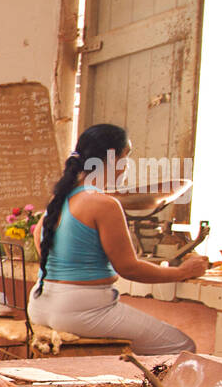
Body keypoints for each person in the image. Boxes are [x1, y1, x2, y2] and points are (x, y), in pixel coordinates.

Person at [27, 123, 209, 356]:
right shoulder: (103, 204)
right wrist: (183, 272)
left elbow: (40, 241)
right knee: (182, 347)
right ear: (114, 160)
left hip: (41, 304)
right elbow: (130, 269)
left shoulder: (60, 199)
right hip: (81, 312)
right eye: (127, 155)